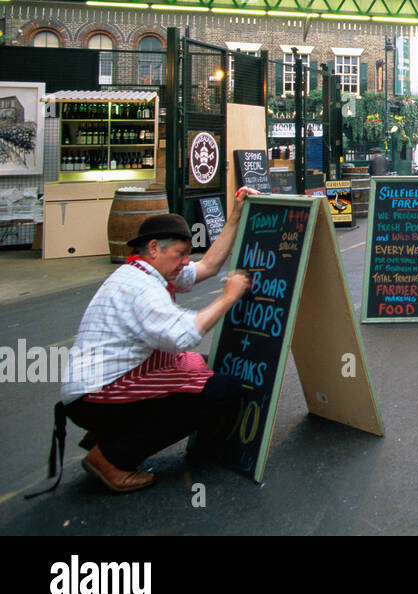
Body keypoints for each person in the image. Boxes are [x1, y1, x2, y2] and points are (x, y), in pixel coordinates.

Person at [32, 189, 258, 495]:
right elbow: (183, 335)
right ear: (154, 248)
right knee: (220, 391)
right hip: (96, 393)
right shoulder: (140, 288)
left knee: (203, 368)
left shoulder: (146, 270)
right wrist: (229, 296)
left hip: (99, 385)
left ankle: (109, 433)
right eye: (180, 254)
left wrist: (235, 215)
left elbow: (208, 266)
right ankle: (111, 457)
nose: (184, 262)